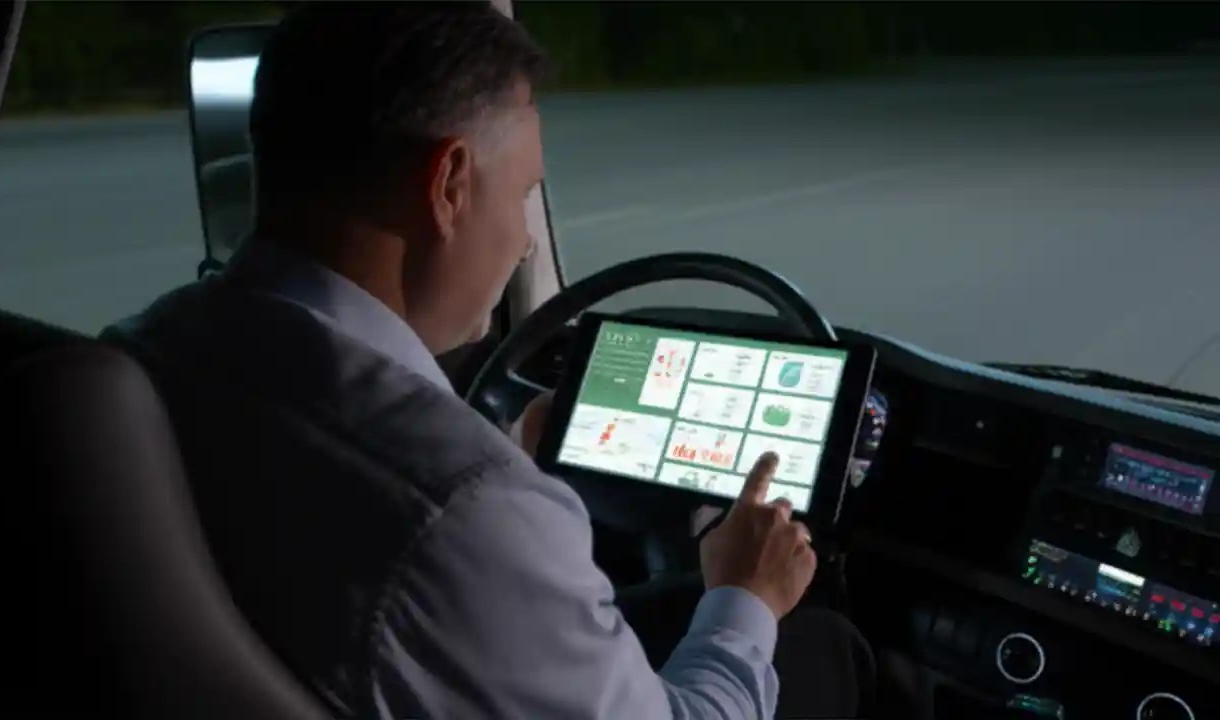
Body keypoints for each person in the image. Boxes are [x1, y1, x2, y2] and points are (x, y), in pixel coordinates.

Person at [104, 3, 874, 718]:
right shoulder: (469, 507)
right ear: (447, 186)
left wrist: (506, 464)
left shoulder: (144, 350)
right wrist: (745, 596)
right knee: (828, 646)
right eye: (521, 196)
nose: (526, 241)